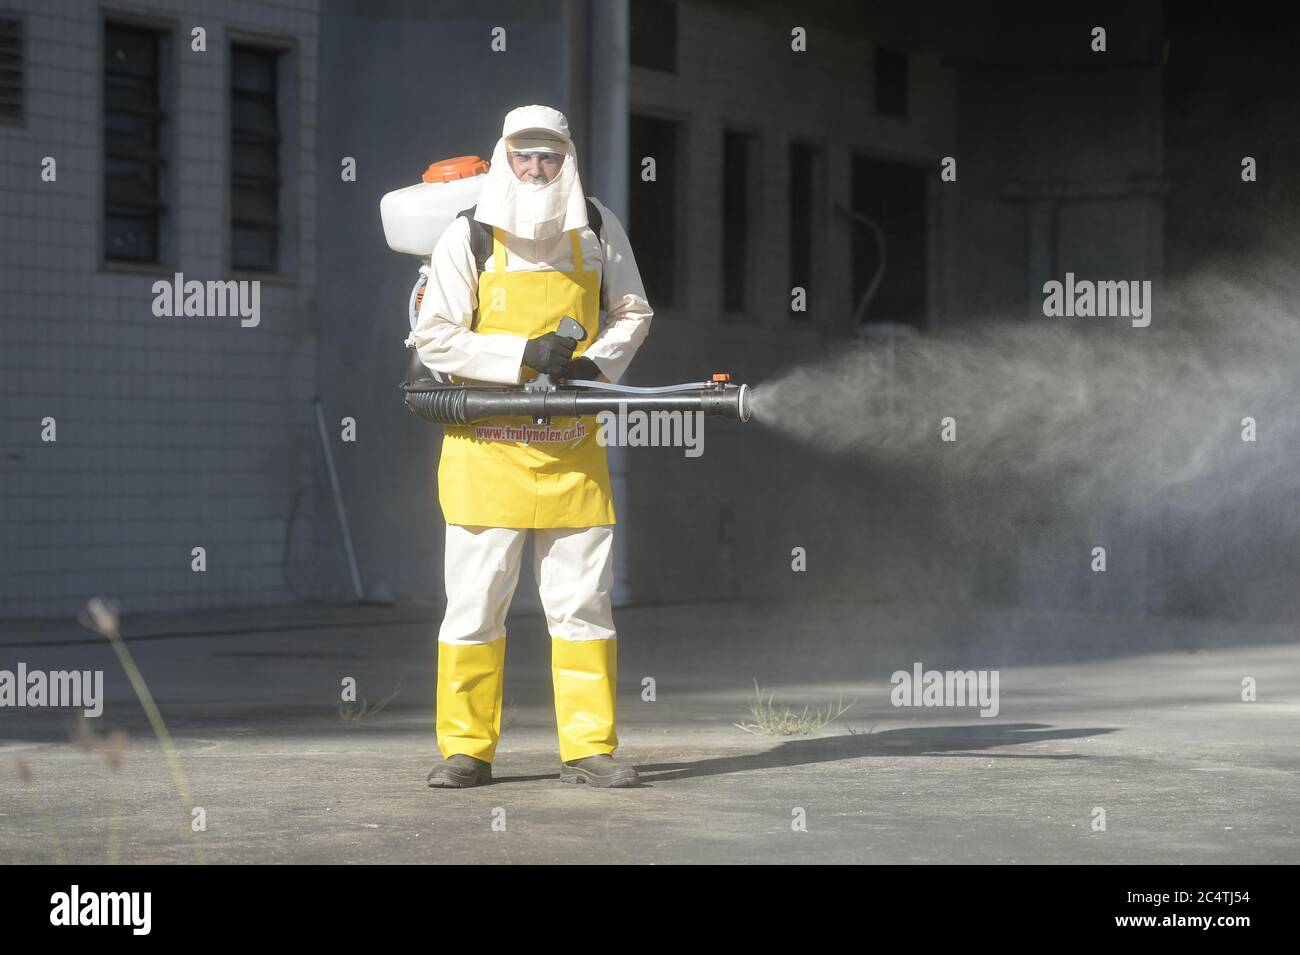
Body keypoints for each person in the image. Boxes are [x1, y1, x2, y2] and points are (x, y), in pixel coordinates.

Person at [410, 105, 653, 788]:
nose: (537, 166)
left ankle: (589, 748)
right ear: (504, 157)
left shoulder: (598, 229)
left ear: (567, 157)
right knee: (475, 605)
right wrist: (522, 354)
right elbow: (434, 337)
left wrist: (593, 363)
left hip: (573, 453)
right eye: (524, 154)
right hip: (485, 454)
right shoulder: (471, 236)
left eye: (549, 154)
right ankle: (466, 749)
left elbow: (633, 310)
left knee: (582, 605)